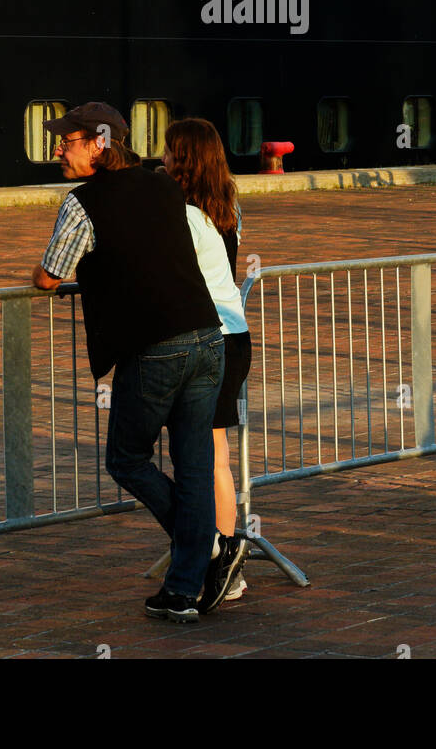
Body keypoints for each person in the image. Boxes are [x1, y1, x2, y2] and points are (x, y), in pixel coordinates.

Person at [32, 101, 227, 625]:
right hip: (209, 337)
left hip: (157, 346)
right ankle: (184, 592)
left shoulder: (82, 202)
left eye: (66, 140)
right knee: (194, 471)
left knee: (126, 458)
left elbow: (52, 274)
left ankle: (205, 544)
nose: (56, 148)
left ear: (98, 143)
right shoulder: (164, 185)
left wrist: (40, 277)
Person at [162, 118, 251, 612]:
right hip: (234, 333)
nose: (164, 160)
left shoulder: (185, 211)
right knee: (213, 452)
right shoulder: (227, 203)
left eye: (170, 153)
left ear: (186, 158)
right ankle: (217, 549)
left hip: (207, 334)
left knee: (206, 454)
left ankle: (222, 556)